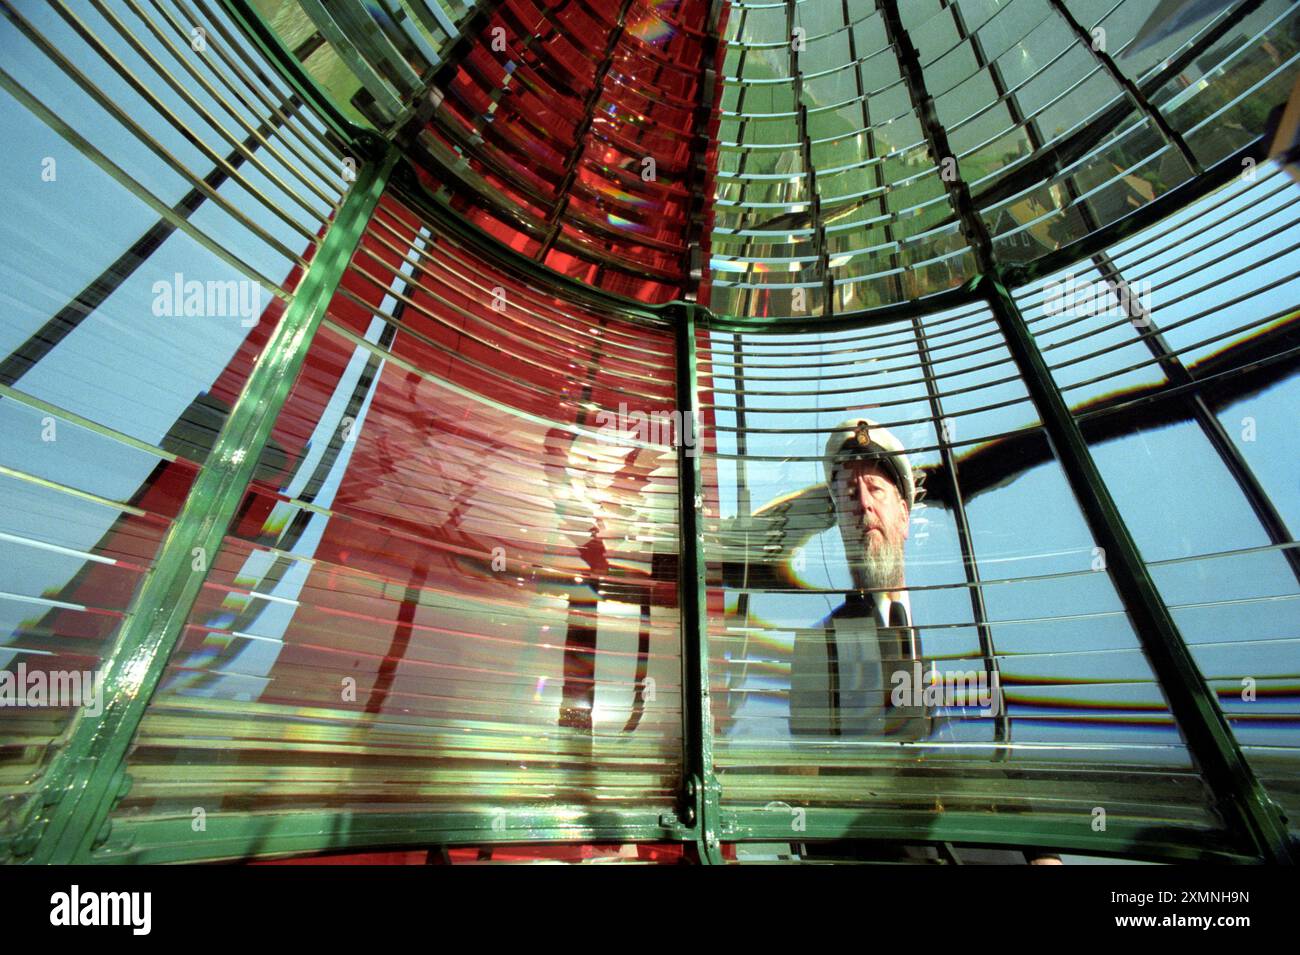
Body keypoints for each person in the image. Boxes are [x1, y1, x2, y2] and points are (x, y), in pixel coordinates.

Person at [789, 416, 1061, 864]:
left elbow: (1005, 758)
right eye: (849, 497)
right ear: (840, 525)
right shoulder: (821, 649)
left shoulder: (966, 624)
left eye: (875, 491)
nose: (863, 506)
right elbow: (813, 796)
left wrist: (1045, 857)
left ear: (905, 514)